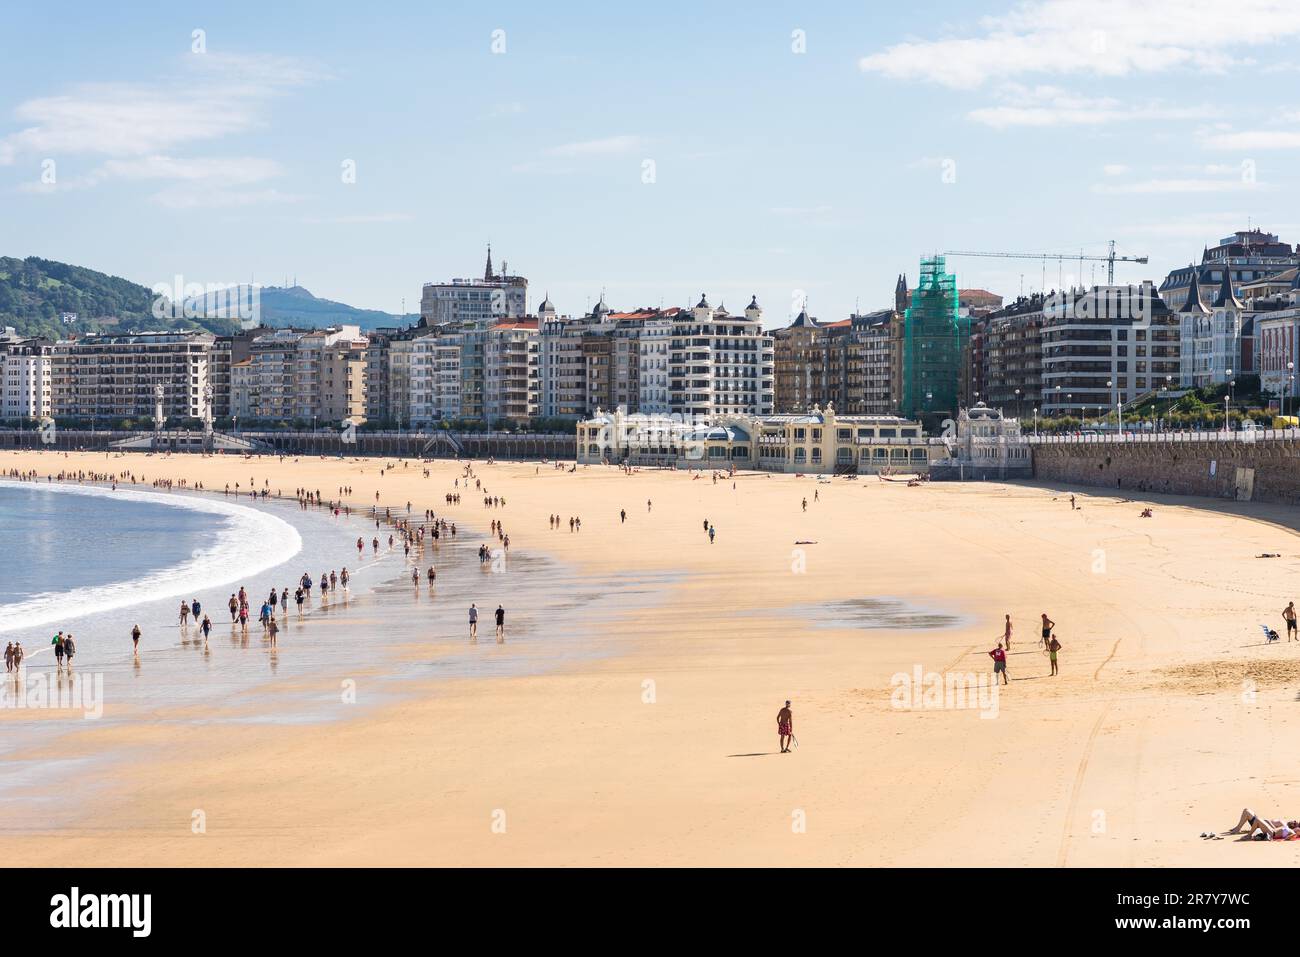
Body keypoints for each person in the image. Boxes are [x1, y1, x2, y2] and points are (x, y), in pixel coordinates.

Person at [1225, 809, 1300, 841]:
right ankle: (1239, 829)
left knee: (1248, 812)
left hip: (1265, 830)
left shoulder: (1289, 830)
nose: (1294, 821)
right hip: (1265, 828)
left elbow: (1289, 837)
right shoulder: (1287, 828)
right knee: (1247, 810)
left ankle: (1247, 834)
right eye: (1295, 821)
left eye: (1295, 823)